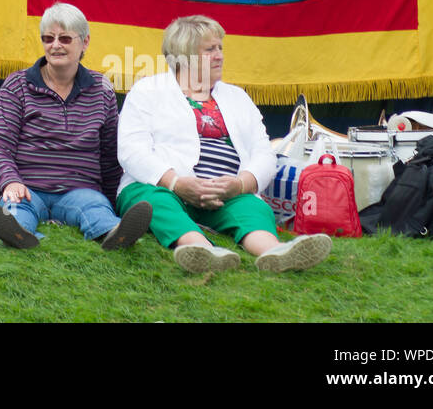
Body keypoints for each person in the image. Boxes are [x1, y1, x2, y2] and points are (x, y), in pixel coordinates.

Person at [116, 14, 332, 273]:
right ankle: (200, 249)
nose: (219, 55)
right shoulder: (147, 90)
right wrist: (176, 183)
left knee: (251, 206)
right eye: (210, 50)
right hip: (165, 187)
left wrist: (241, 184)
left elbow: (263, 152)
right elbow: (131, 150)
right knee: (152, 202)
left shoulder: (237, 96)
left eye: (220, 48)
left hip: (225, 192)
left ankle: (274, 252)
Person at [0, 2, 153, 252]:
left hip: (81, 188)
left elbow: (110, 152)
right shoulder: (17, 84)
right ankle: (18, 233)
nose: (55, 45)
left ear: (85, 42)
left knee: (96, 207)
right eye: (48, 38)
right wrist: (10, 181)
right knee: (16, 208)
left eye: (64, 38)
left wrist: (113, 197)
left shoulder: (101, 88)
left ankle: (116, 232)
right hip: (27, 185)